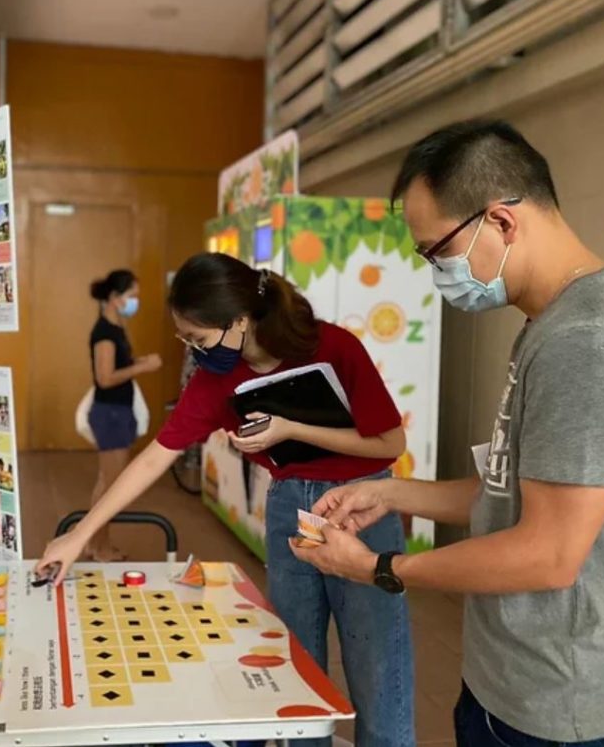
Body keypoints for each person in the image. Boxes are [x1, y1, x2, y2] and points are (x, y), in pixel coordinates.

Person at [296, 119, 604, 746]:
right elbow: (514, 493)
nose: (436, 272)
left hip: (562, 706)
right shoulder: (549, 324)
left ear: (502, 222)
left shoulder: (587, 344)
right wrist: (393, 494)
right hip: (509, 680)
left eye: (437, 252)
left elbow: (550, 553)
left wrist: (379, 566)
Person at [43, 253, 414, 747]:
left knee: (377, 664)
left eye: (198, 339)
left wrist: (292, 428)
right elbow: (155, 457)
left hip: (363, 506)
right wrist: (80, 534)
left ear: (240, 319)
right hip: (292, 509)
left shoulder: (331, 346)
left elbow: (390, 444)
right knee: (295, 667)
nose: (194, 351)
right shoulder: (216, 376)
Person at [85, 269, 162, 562]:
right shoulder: (104, 332)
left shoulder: (116, 327)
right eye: (131, 296)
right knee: (110, 487)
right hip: (110, 414)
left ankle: (96, 543)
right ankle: (100, 547)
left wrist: (138, 361)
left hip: (118, 412)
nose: (135, 302)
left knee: (107, 483)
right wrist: (143, 368)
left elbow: (120, 364)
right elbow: (105, 378)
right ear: (115, 298)